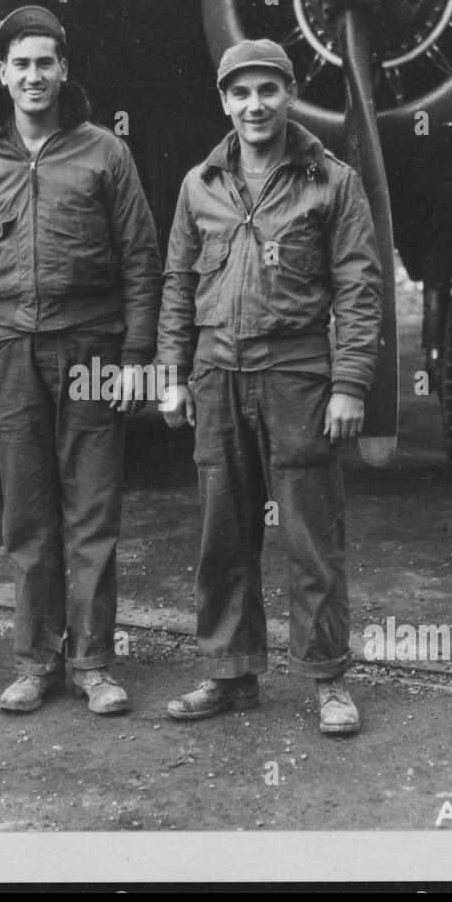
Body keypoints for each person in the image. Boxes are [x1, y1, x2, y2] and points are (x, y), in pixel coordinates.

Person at [156, 39, 384, 735]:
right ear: (224, 101)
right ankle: (229, 673)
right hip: (217, 376)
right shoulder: (200, 183)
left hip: (296, 378)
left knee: (311, 536)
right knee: (222, 535)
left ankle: (328, 679)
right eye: (241, 92)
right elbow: (175, 281)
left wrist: (349, 384)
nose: (254, 105)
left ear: (289, 94)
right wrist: (171, 371)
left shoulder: (332, 181)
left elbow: (360, 285)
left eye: (268, 90)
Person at [0, 6, 161, 715]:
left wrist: (135, 355)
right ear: (3, 74)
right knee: (28, 515)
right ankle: (36, 661)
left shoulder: (105, 153)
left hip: (91, 345)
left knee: (92, 508)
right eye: (21, 64)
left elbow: (141, 257)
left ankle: (94, 663)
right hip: (8, 350)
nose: (34, 76)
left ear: (63, 70)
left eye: (46, 62)